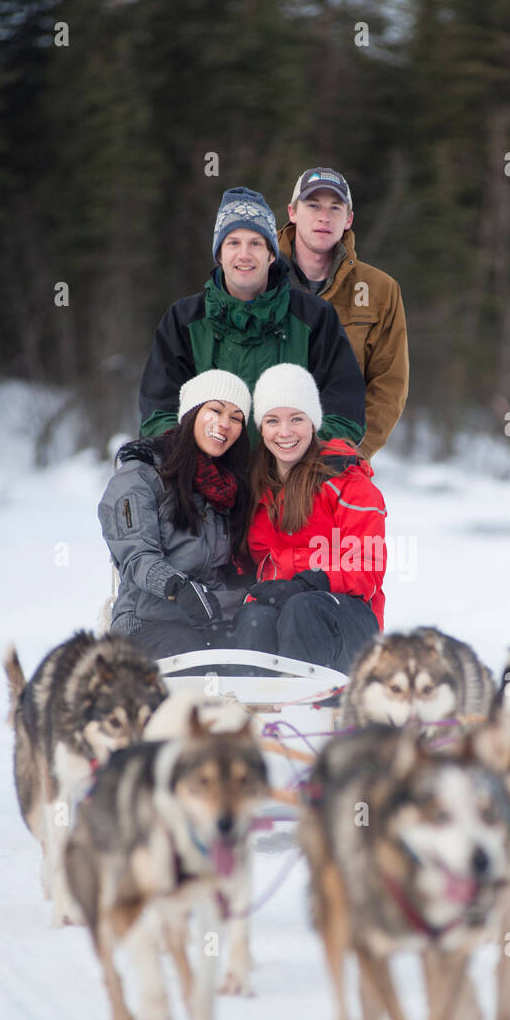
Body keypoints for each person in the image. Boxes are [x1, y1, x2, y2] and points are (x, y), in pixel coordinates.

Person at [138, 186, 365, 448]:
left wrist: (295, 461)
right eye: (233, 243)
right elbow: (158, 414)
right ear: (219, 254)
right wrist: (200, 467)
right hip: (204, 483)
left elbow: (345, 413)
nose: (244, 255)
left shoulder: (315, 318)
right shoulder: (183, 320)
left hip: (292, 480)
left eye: (256, 243)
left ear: (271, 254)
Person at [99, 369, 266, 661]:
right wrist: (176, 585)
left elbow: (224, 574)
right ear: (191, 413)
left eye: (236, 417)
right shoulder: (140, 475)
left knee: (255, 647)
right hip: (146, 622)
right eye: (215, 410)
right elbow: (137, 555)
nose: (224, 424)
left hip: (210, 623)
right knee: (195, 658)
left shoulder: (229, 488)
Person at [239, 363, 386, 674]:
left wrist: (309, 580)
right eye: (273, 420)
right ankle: (254, 708)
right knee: (254, 618)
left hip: (350, 622)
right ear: (261, 427)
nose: (285, 432)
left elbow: (367, 568)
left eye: (297, 419)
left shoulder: (348, 481)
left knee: (302, 607)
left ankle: (303, 710)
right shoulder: (258, 489)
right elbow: (254, 564)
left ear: (313, 423)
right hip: (287, 610)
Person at [278, 167, 409, 458]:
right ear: (293, 212)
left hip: (337, 462)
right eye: (313, 205)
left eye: (335, 207)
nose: (324, 216)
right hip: (262, 460)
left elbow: (389, 385)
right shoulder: (257, 277)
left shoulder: (380, 290)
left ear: (348, 219)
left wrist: (350, 452)